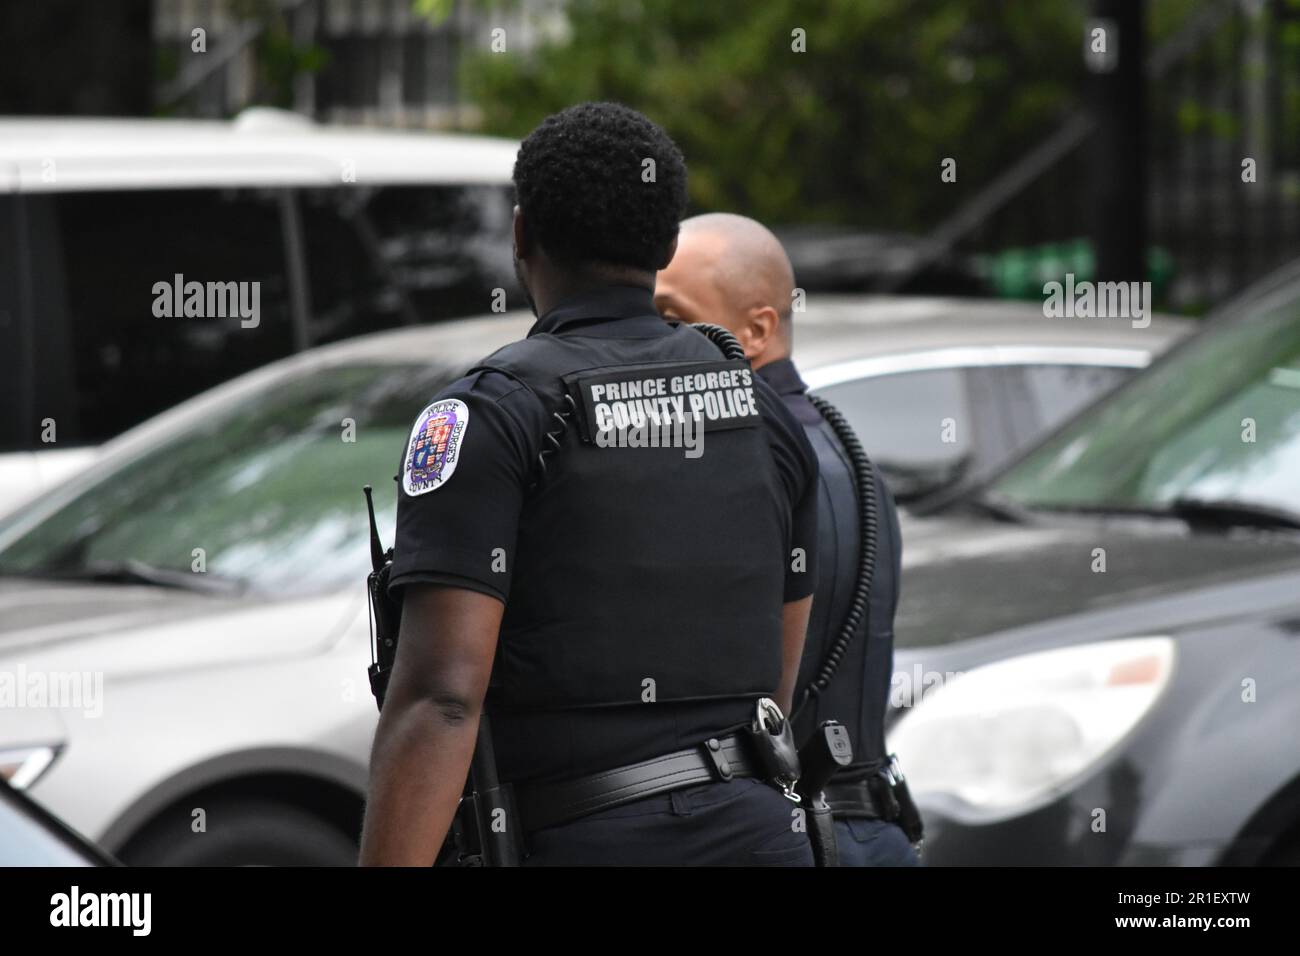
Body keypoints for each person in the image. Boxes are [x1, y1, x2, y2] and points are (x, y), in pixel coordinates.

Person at [358, 104, 821, 867]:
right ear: (669, 244)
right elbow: (777, 681)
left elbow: (442, 696)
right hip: (760, 835)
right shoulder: (765, 413)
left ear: (519, 235)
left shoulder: (488, 414)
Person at [655, 212, 920, 866]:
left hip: (792, 842)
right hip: (875, 836)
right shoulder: (850, 454)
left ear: (758, 329)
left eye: (670, 318)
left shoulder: (740, 463)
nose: (653, 341)